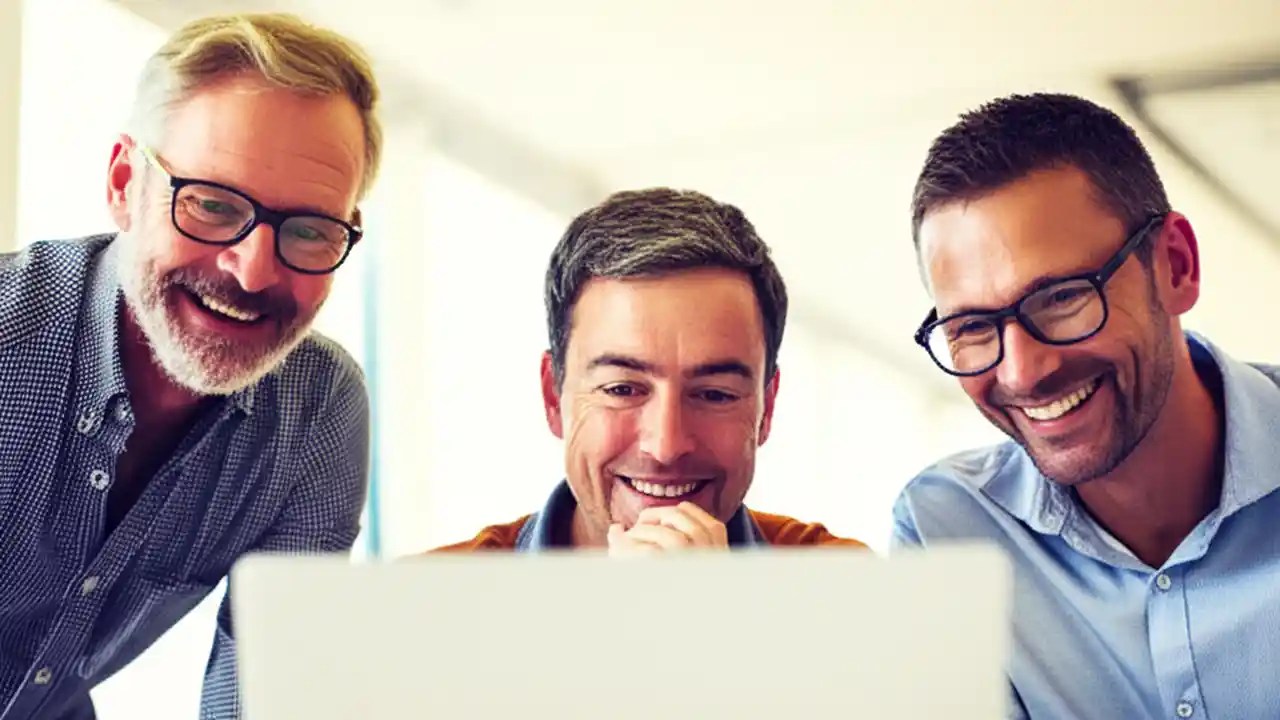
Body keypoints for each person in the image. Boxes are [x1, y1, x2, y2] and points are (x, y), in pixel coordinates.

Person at [0, 13, 380, 719]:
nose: (254, 268)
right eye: (210, 204)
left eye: (310, 230)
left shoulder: (318, 411)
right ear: (123, 184)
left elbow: (269, 688)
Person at [892, 92, 1280, 719]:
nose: (1022, 371)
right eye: (972, 329)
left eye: (1063, 298)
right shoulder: (946, 530)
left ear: (1175, 266)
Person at [434, 188, 865, 554]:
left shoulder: (847, 589)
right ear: (553, 396)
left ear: (766, 410)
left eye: (715, 394)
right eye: (622, 389)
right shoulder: (429, 603)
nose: (666, 446)